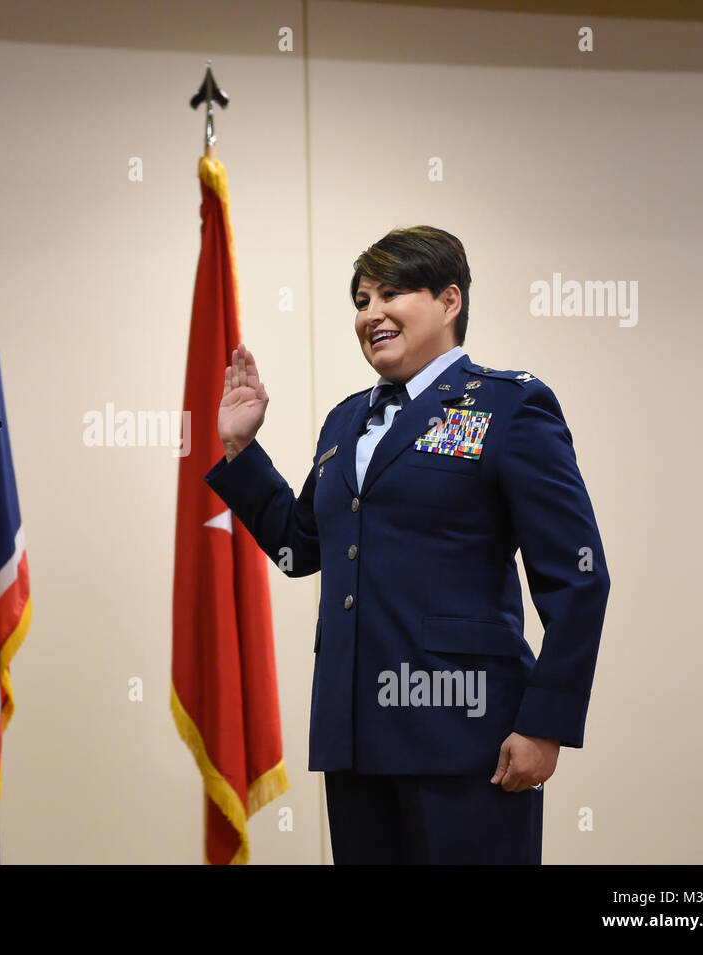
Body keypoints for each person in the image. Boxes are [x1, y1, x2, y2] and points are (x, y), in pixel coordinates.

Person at [206, 226, 609, 864]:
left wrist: (544, 724)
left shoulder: (509, 408)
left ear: (449, 301)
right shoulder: (346, 421)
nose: (372, 314)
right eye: (361, 300)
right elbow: (299, 549)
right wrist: (241, 451)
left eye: (392, 293)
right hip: (356, 739)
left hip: (466, 736)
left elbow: (579, 578)